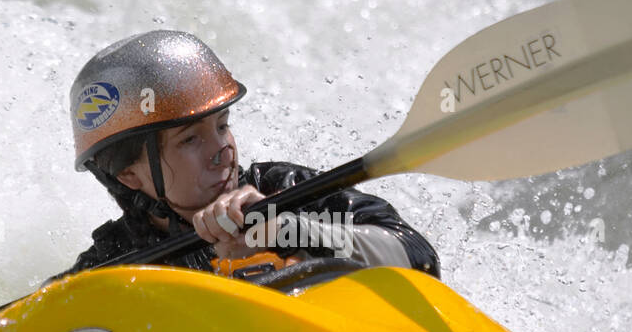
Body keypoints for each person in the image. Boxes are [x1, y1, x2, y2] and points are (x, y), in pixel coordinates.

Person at [67, 29, 439, 280]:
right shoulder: (114, 262)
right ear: (129, 176)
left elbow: (419, 258)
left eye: (222, 125)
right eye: (190, 141)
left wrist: (290, 231)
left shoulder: (286, 190)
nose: (222, 149)